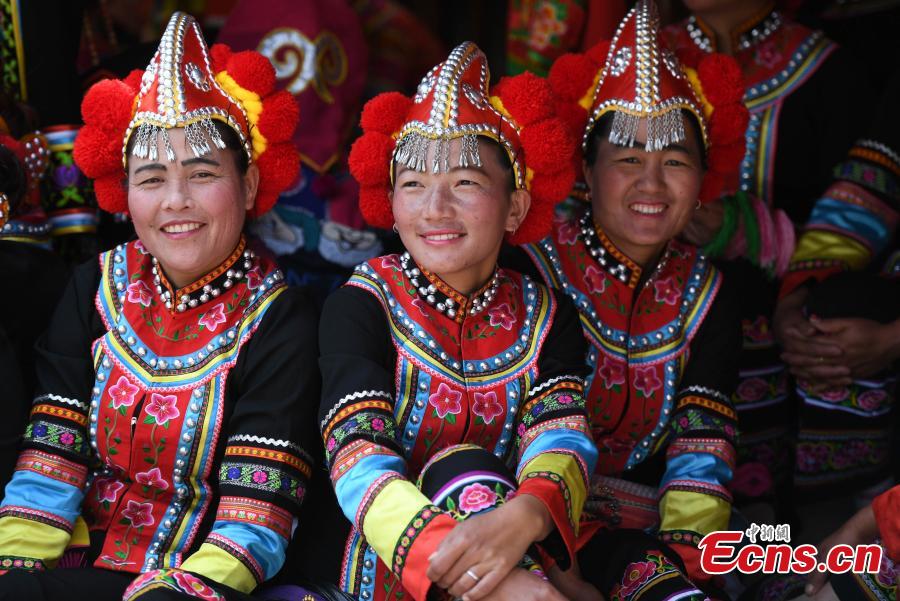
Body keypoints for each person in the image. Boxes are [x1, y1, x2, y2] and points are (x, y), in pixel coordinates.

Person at [0, 12, 320, 600]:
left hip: (197, 582)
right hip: (76, 566)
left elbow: (258, 515)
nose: (176, 201)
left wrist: (179, 592)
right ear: (124, 192)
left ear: (249, 185)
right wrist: (14, 571)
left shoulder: (279, 318)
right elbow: (52, 456)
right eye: (150, 179)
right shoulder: (95, 285)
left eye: (202, 174)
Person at [314, 41, 597, 601]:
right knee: (464, 470)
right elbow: (357, 456)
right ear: (391, 206)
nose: (435, 208)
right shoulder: (362, 303)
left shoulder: (545, 314)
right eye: (413, 184)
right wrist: (506, 586)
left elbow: (560, 436)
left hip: (516, 546)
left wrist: (528, 515)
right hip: (378, 572)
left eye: (465, 182)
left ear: (515, 207)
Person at [512, 1, 748, 598]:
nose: (652, 182)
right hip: (523, 533)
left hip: (646, 541)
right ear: (587, 171)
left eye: (675, 161)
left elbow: (701, 448)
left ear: (704, 178)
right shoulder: (530, 268)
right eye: (628, 160)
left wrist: (688, 565)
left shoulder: (709, 293)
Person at [663, 0, 877, 508]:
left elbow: (863, 223)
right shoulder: (639, 62)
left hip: (778, 321)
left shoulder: (831, 72)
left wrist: (747, 231)